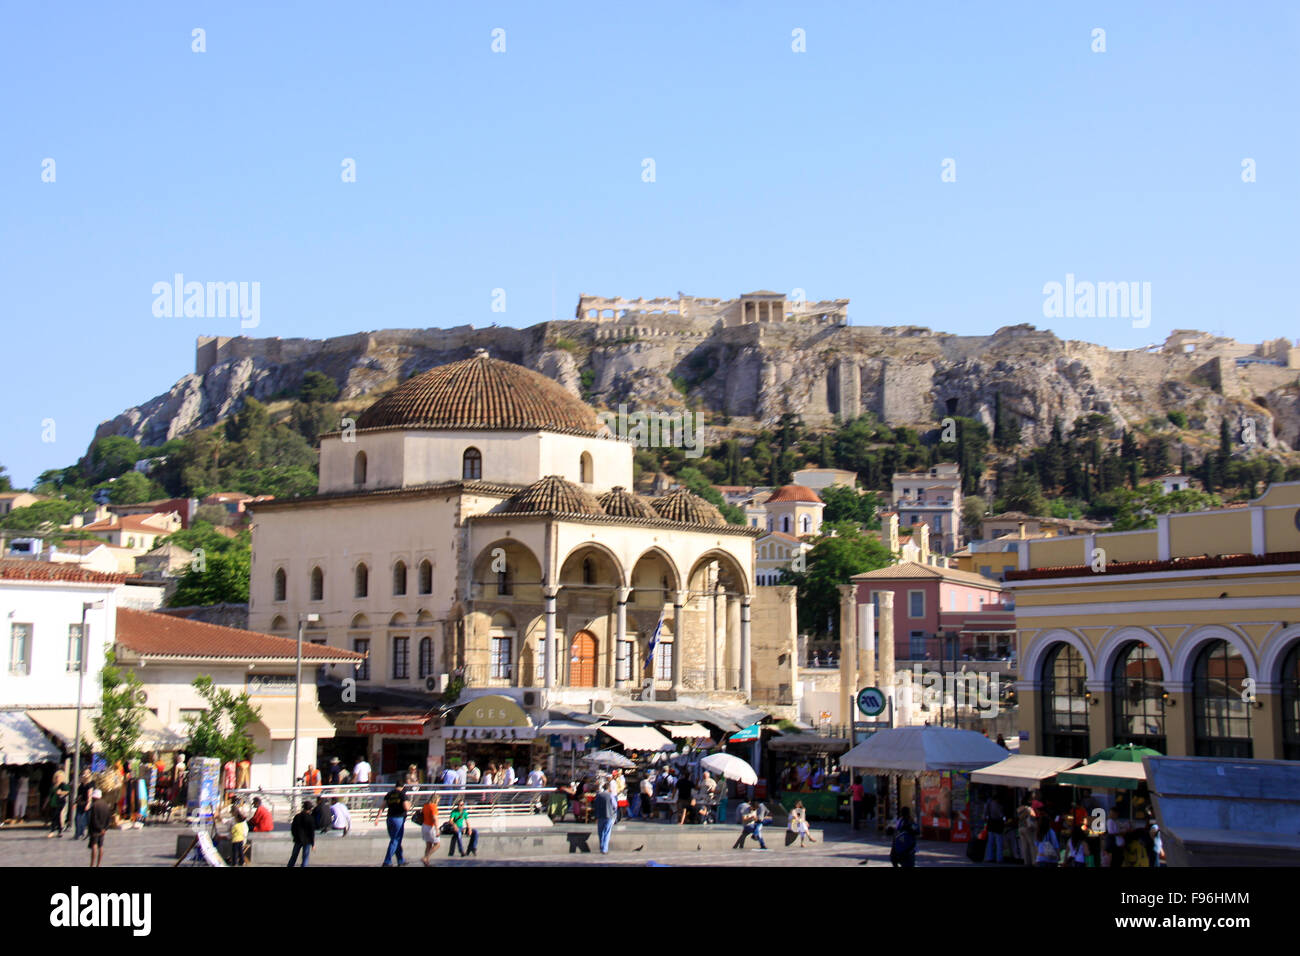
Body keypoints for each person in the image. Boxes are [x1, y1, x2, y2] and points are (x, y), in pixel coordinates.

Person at [381, 783, 409, 866]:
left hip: (389, 818)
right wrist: (410, 804)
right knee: (395, 840)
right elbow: (406, 807)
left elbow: (382, 806)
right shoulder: (402, 794)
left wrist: (377, 817)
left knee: (396, 840)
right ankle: (387, 861)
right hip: (399, 819)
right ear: (403, 786)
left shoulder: (389, 794)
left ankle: (401, 860)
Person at [86, 789, 112, 867]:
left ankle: (92, 864)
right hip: (103, 829)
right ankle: (98, 864)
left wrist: (99, 828)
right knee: (101, 845)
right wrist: (105, 828)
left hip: (95, 829)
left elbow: (94, 818)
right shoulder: (105, 805)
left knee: (94, 845)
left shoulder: (94, 805)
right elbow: (108, 818)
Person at [593, 781, 617, 854]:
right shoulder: (610, 795)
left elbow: (595, 805)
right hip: (609, 815)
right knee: (607, 832)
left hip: (600, 816)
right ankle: (604, 849)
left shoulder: (598, 795)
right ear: (609, 788)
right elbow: (615, 806)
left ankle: (601, 846)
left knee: (600, 832)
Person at [288, 801, 315, 867]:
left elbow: (293, 829)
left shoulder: (297, 816)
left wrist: (295, 836)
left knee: (294, 856)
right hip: (307, 841)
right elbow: (312, 832)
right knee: (305, 857)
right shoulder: (310, 818)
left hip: (298, 839)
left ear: (303, 808)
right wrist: (313, 843)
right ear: (310, 809)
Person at [983, 794, 1006, 863]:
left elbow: (984, 814)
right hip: (998, 824)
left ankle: (989, 857)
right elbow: (1001, 815)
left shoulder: (988, 803)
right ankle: (999, 858)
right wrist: (1004, 819)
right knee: (999, 842)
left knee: (990, 841)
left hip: (990, 823)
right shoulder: (997, 804)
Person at [46, 770, 69, 837]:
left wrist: (61, 792)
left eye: (59, 777)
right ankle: (59, 830)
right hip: (53, 802)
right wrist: (46, 803)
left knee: (55, 815)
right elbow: (50, 794)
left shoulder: (63, 785)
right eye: (57, 777)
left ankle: (52, 830)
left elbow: (67, 792)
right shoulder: (53, 785)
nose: (58, 778)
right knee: (56, 816)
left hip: (60, 802)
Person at [420, 794, 441, 866]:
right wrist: (437, 829)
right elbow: (435, 819)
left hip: (424, 826)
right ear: (436, 799)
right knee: (437, 844)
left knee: (428, 845)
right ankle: (425, 858)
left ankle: (427, 863)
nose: (438, 802)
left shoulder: (425, 805)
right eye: (438, 800)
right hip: (431, 827)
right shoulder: (434, 807)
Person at [1015, 798, 1036, 865]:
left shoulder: (1018, 809)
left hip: (1020, 827)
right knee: (1031, 845)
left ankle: (1026, 862)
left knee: (1024, 846)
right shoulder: (1028, 809)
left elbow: (1018, 817)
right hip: (1027, 827)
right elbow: (1034, 816)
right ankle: (1033, 862)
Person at [74, 770, 93, 840]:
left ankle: (87, 833)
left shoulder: (90, 784)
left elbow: (90, 794)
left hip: (87, 803)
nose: (84, 775)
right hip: (80, 803)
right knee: (77, 818)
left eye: (86, 773)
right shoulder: (81, 785)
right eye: (83, 773)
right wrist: (75, 803)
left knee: (86, 819)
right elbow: (79, 795)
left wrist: (88, 803)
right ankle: (78, 833)